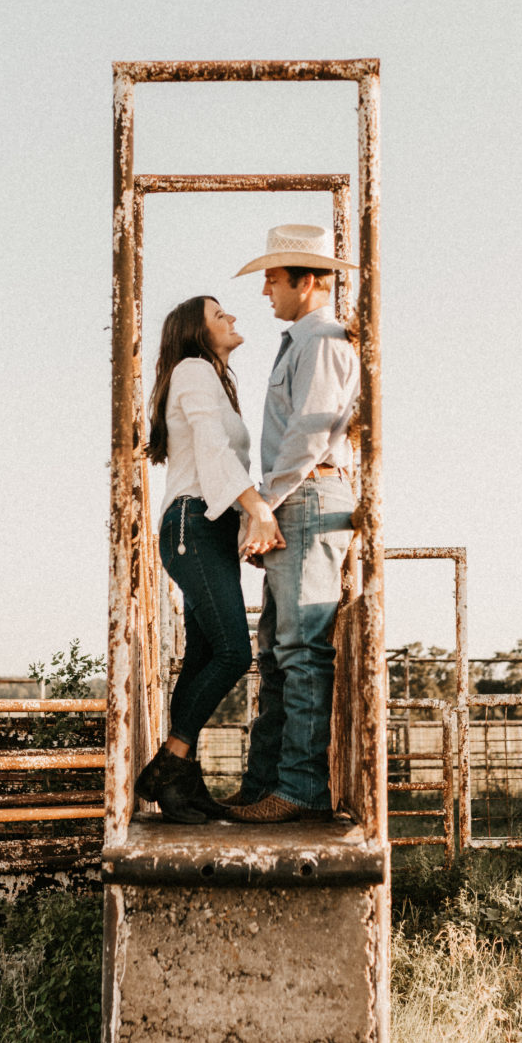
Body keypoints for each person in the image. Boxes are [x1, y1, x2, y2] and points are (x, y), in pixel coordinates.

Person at [134, 294, 285, 824]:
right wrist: (257, 509)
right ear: (197, 333)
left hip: (209, 529)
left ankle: (184, 778)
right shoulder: (194, 369)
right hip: (191, 526)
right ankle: (168, 765)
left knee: (201, 657)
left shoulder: (210, 378)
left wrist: (244, 522)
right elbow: (212, 451)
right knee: (231, 654)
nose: (233, 317)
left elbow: (219, 456)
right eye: (220, 314)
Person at [227, 225, 360, 824]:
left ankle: (299, 788)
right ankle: (265, 784)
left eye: (273, 279)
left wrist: (264, 508)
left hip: (306, 495)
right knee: (280, 651)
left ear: (306, 282)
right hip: (298, 499)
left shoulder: (323, 342)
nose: (264, 291)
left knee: (301, 647)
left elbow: (309, 432)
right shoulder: (305, 341)